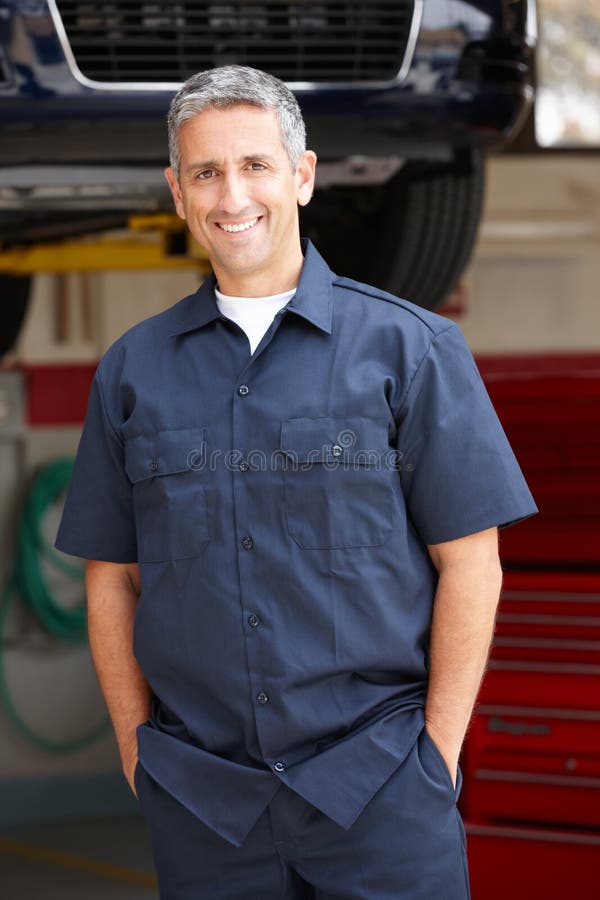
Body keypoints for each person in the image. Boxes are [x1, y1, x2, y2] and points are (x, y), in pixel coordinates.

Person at [56, 65, 537, 900]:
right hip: (206, 809)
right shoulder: (132, 373)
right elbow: (111, 579)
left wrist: (437, 754)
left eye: (256, 165)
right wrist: (138, 755)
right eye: (206, 172)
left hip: (380, 795)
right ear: (177, 193)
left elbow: (471, 562)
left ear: (303, 176)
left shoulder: (411, 351)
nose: (232, 195)